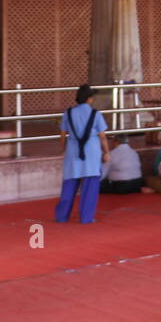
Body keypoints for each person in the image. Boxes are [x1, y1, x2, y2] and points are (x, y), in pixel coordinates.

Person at [56, 84, 110, 223]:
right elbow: (102, 136)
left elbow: (63, 135)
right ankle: (86, 217)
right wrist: (106, 152)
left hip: (73, 152)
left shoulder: (67, 113)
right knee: (89, 189)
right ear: (89, 99)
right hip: (91, 154)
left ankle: (62, 216)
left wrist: (62, 150)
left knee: (69, 186)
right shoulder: (96, 114)